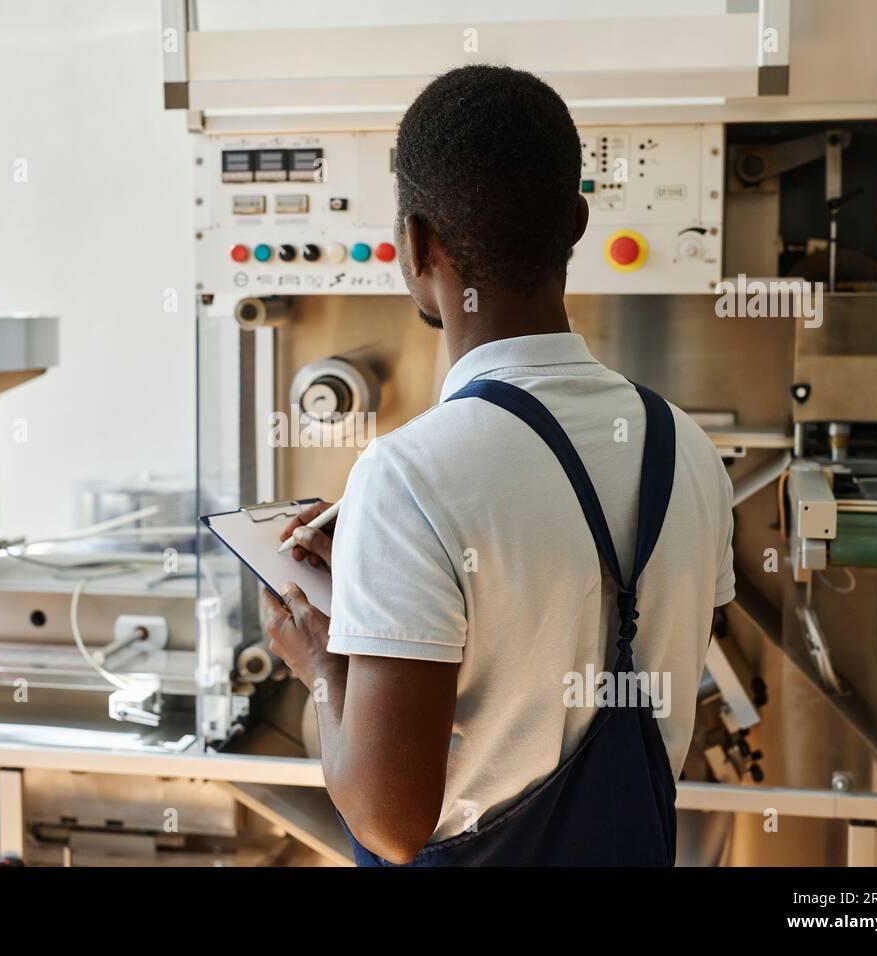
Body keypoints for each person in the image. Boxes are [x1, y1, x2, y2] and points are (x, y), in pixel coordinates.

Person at [261, 64, 734, 866]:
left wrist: (320, 667)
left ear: (414, 244)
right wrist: (386, 588)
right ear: (578, 222)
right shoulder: (687, 446)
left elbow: (388, 823)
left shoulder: (408, 474)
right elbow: (574, 632)